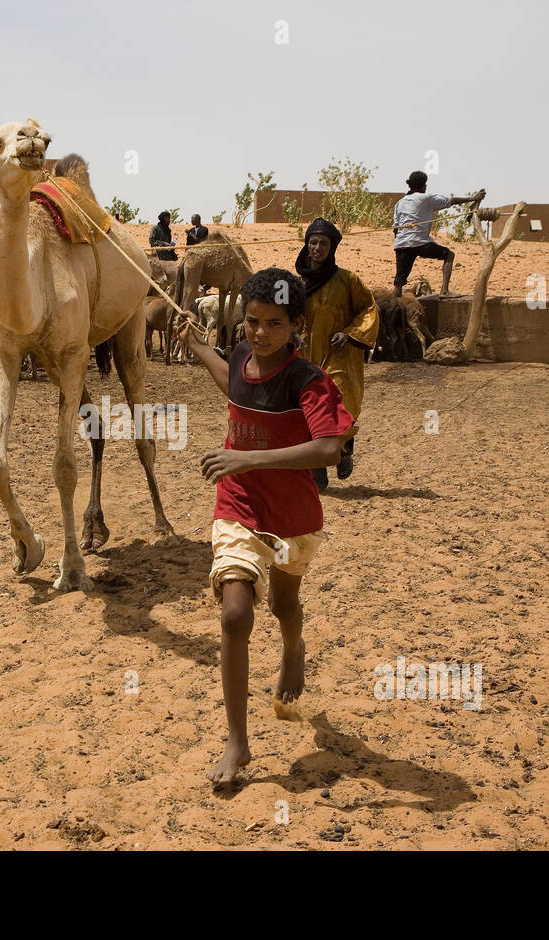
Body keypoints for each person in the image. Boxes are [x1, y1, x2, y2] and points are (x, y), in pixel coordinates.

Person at [176, 268, 354, 787]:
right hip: (238, 506)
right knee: (235, 614)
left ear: (297, 324)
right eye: (252, 322)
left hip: (293, 517)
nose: (260, 333)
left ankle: (293, 647)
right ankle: (237, 740)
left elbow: (327, 448)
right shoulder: (239, 357)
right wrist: (193, 345)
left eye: (274, 324)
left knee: (282, 605)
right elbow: (226, 375)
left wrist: (248, 459)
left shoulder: (309, 380)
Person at [296, 218, 379, 489]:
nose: (317, 247)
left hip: (340, 354)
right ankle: (318, 470)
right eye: (313, 242)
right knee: (310, 409)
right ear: (306, 245)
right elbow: (289, 316)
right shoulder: (297, 283)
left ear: (332, 248)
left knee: (339, 405)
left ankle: (343, 450)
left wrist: (350, 333)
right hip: (307, 355)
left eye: (323, 243)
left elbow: (368, 310)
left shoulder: (347, 280)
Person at [392, 170, 485, 297]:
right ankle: (445, 291)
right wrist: (474, 198)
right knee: (448, 255)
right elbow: (451, 201)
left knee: (399, 281)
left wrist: (403, 244)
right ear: (422, 185)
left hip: (401, 244)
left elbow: (396, 228)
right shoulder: (426, 198)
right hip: (418, 243)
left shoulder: (400, 203)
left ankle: (394, 303)